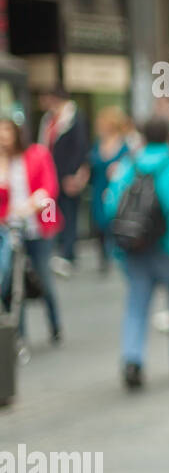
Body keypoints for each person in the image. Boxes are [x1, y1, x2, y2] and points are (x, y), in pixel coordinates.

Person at [104, 116, 169, 389]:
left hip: (137, 249)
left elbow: (111, 207)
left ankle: (132, 358)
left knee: (136, 306)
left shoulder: (129, 165)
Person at [0, 118, 63, 345]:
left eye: (6, 131)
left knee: (42, 276)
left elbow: (49, 188)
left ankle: (55, 325)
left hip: (38, 228)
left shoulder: (37, 154)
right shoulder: (3, 162)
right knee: (13, 282)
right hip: (11, 230)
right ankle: (19, 333)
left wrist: (31, 206)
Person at [37, 88, 90, 275]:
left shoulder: (74, 118)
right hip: (49, 174)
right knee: (50, 211)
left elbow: (80, 147)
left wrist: (75, 174)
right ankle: (52, 248)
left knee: (69, 213)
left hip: (67, 175)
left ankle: (68, 253)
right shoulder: (48, 120)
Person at [88, 107, 134, 274]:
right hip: (99, 186)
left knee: (113, 221)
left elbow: (131, 166)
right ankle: (104, 257)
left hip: (116, 188)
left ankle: (116, 251)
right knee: (99, 221)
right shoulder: (98, 143)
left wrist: (119, 169)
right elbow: (90, 164)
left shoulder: (124, 145)